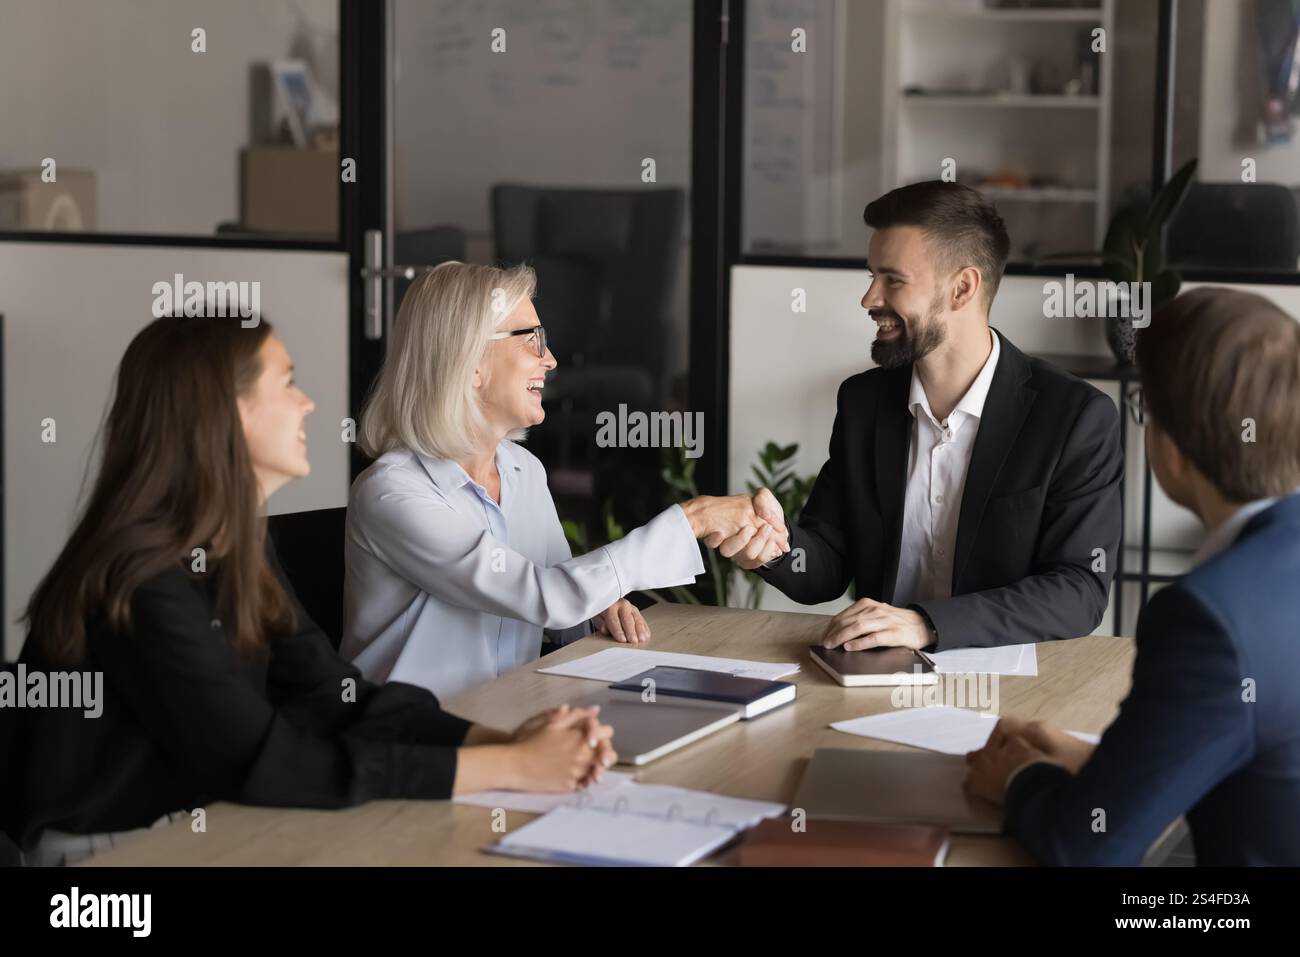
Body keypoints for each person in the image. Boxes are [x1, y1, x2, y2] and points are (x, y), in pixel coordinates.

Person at [2, 314, 618, 866]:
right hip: (107, 858)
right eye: (287, 384)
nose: (308, 404)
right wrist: (510, 767)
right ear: (229, 411)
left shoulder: (231, 544)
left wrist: (503, 743)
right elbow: (262, 759)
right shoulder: (143, 577)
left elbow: (334, 694)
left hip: (204, 814)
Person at [343, 262, 786, 699]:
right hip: (417, 744)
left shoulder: (522, 470)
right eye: (531, 340)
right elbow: (548, 597)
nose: (550, 360)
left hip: (512, 717)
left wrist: (596, 610)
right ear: (469, 361)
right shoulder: (393, 493)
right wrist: (694, 517)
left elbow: (557, 600)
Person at [965, 288, 1300, 866]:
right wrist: (1111, 763)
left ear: (1171, 445)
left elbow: (1082, 849)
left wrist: (1019, 775)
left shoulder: (1208, 616)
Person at [719, 182, 1123, 653]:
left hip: (1012, 686)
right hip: (877, 675)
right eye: (872, 276)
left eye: (892, 279)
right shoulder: (863, 402)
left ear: (962, 288)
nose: (869, 298)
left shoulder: (1074, 417)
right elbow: (827, 568)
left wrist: (925, 624)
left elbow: (1079, 590)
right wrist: (775, 549)